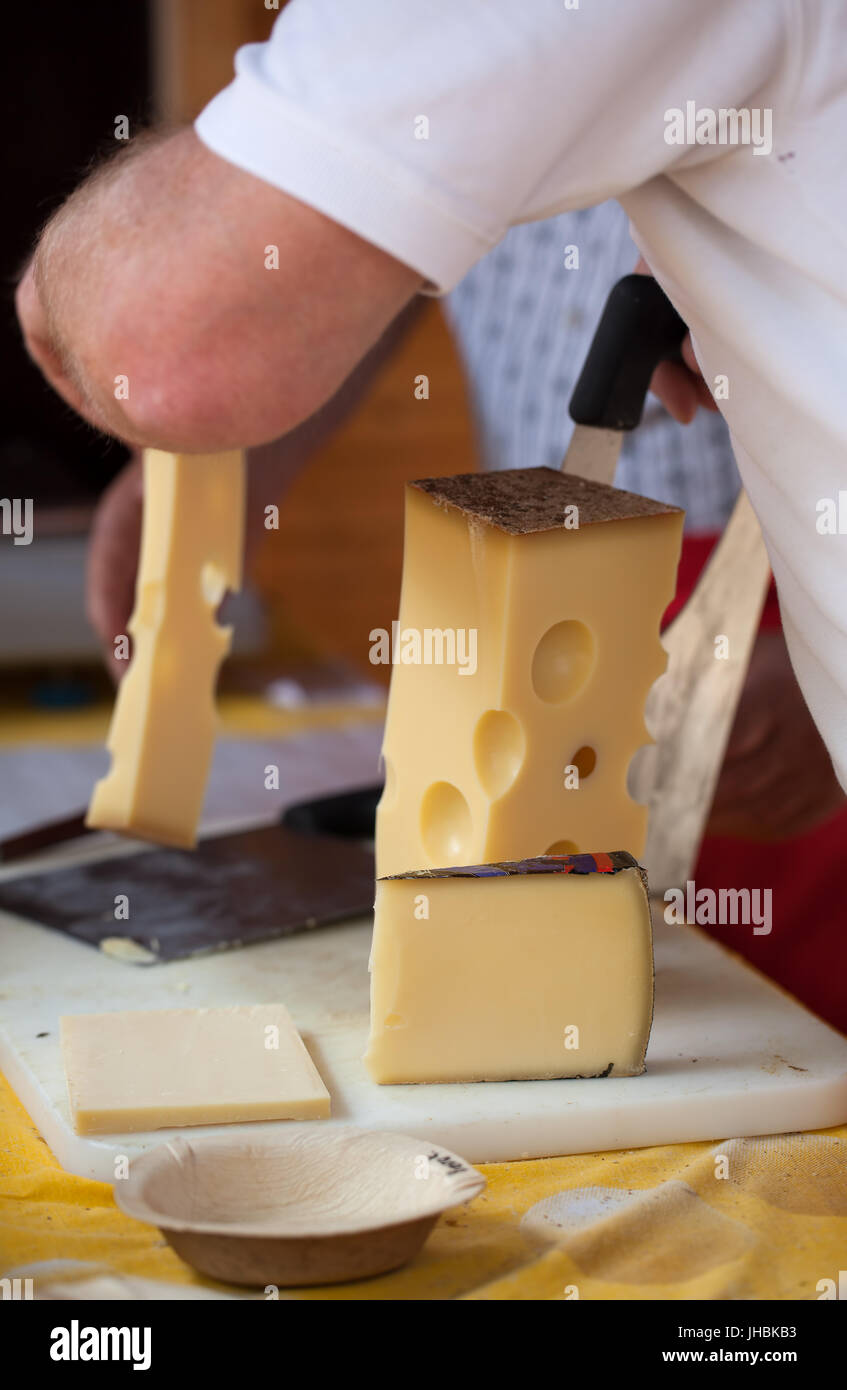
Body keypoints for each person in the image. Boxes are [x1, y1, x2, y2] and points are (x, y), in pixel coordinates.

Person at [14, 2, 847, 1020]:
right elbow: (406, 214)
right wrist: (249, 458)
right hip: (549, 569)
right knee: (589, 1007)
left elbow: (157, 339)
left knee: (773, 1033)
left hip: (761, 579)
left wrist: (812, 637)